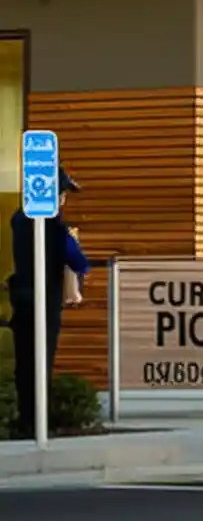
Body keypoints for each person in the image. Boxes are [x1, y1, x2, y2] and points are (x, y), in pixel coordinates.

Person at [7, 166, 88, 439]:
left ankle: (27, 418)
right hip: (45, 300)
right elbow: (77, 260)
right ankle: (38, 421)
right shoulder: (53, 225)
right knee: (42, 360)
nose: (65, 200)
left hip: (22, 298)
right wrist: (74, 243)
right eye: (63, 194)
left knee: (25, 362)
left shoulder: (19, 218)